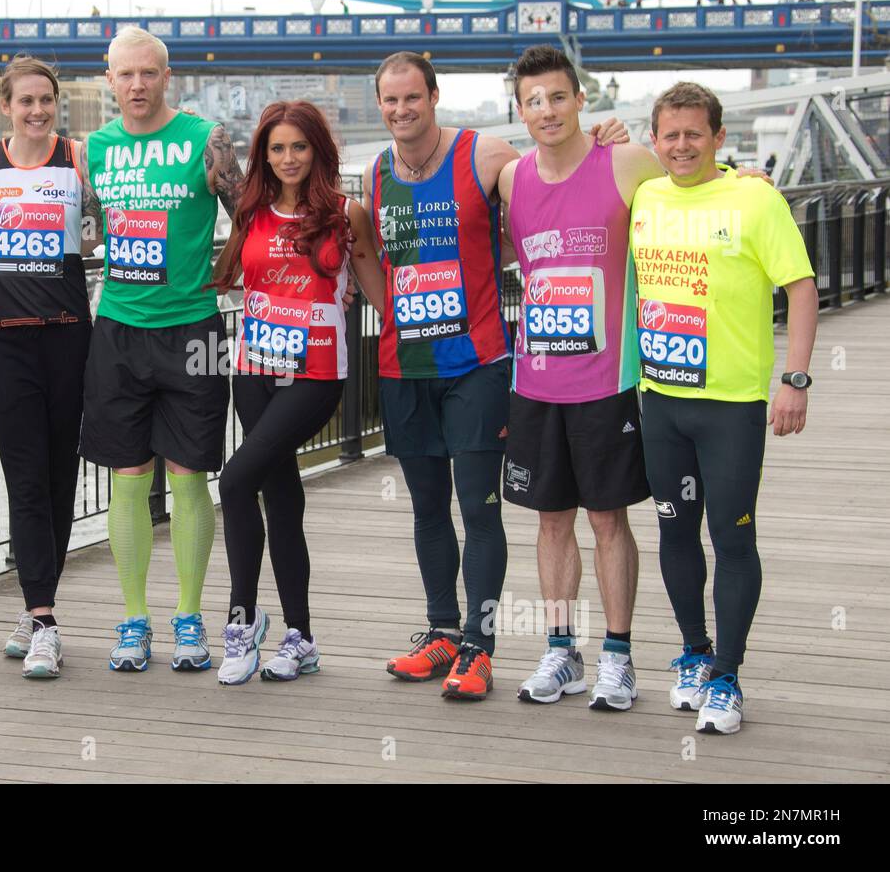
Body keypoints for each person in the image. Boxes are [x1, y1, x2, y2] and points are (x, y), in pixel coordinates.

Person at [365, 51, 627, 701]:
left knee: (478, 506)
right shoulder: (375, 170)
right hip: (406, 366)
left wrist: (602, 141)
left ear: (434, 96)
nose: (402, 110)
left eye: (413, 98)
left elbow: (552, 185)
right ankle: (441, 632)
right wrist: (387, 310)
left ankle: (480, 648)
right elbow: (366, 249)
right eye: (390, 101)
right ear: (381, 105)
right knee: (427, 508)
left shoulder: (485, 156)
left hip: (477, 363)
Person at [632, 81, 817, 734]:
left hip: (732, 404)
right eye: (669, 135)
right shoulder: (645, 196)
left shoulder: (753, 198)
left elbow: (799, 285)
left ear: (717, 138)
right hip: (661, 401)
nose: (681, 146)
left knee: (732, 536)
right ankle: (693, 652)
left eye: (693, 134)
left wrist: (795, 377)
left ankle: (729, 677)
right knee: (675, 530)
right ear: (653, 141)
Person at [500, 45, 669, 710]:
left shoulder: (626, 162)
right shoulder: (512, 177)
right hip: (536, 379)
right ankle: (561, 650)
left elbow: (695, 180)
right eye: (534, 100)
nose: (547, 109)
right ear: (519, 110)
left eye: (558, 97)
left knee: (607, 518)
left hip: (608, 379)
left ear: (580, 101)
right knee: (548, 522)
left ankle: (619, 657)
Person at [79, 27, 245, 672]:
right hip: (118, 329)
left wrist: (227, 268)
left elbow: (251, 214)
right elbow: (79, 227)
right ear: (109, 79)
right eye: (126, 75)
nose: (138, 86)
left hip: (195, 328)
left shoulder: (207, 140)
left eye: (149, 73)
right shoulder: (92, 149)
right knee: (127, 477)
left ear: (165, 76)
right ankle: (132, 621)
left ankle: (188, 618)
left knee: (190, 475)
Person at [209, 101, 385, 685]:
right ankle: (301, 638)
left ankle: (241, 620)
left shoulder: (344, 214)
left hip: (313, 375)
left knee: (235, 481)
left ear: (318, 150)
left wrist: (415, 354)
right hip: (254, 368)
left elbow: (378, 292)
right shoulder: (251, 210)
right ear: (265, 154)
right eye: (277, 148)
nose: (288, 159)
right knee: (280, 497)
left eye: (299, 147)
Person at [0, 55, 96, 679]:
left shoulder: (78, 157)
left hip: (68, 336)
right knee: (23, 477)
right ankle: (43, 617)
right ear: (6, 106)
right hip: (3, 342)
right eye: (26, 102)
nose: (38, 111)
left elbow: (109, 224)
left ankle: (38, 605)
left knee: (58, 475)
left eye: (47, 100)